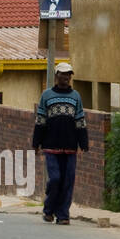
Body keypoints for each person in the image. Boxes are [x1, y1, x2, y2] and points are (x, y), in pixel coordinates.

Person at [33, 61, 88, 225]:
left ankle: (63, 214)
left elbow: (80, 121)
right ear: (56, 76)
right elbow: (40, 120)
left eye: (68, 74)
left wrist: (83, 143)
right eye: (63, 74)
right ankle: (49, 209)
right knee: (55, 178)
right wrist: (36, 143)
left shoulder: (75, 96)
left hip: (70, 146)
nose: (65, 77)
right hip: (50, 145)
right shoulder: (47, 95)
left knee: (68, 181)